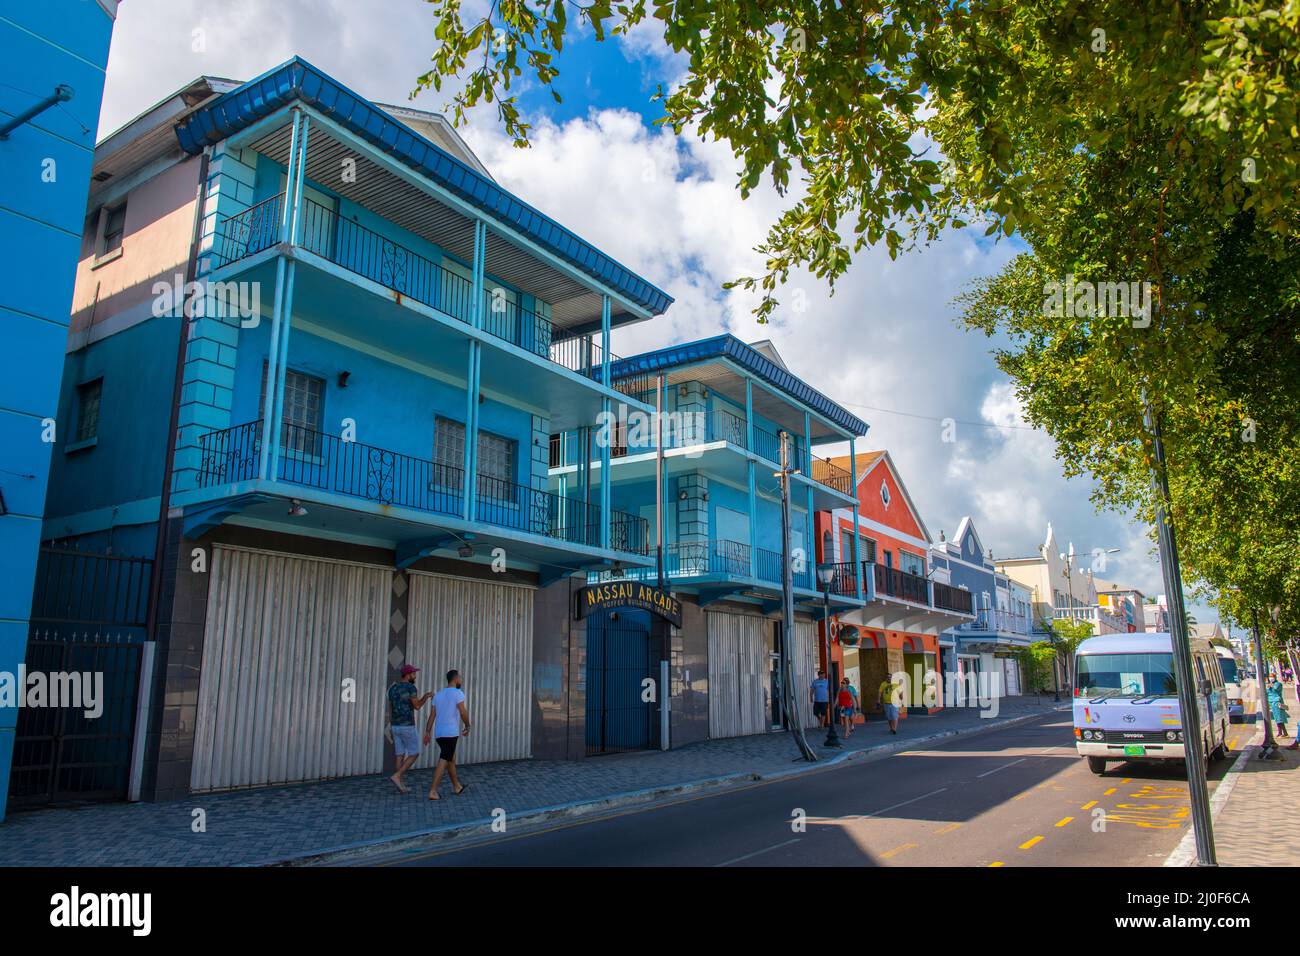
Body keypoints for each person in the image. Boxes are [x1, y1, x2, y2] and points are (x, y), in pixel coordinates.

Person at [424, 669, 471, 800]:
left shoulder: (438, 695)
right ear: (456, 679)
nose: (460, 680)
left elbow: (432, 715)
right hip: (450, 733)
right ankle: (433, 791)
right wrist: (468, 725)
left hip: (439, 733)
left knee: (450, 758)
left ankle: (457, 786)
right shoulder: (458, 693)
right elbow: (463, 712)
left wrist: (427, 731)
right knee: (444, 758)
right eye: (460, 678)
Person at [386, 664, 432, 793]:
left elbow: (390, 708)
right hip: (407, 726)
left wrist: (391, 723)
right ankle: (397, 776)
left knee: (399, 755)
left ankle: (401, 785)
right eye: (413, 673)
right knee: (414, 753)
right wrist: (426, 697)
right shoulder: (411, 688)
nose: (415, 676)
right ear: (408, 674)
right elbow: (417, 706)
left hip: (395, 726)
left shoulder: (392, 689)